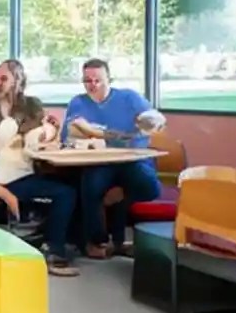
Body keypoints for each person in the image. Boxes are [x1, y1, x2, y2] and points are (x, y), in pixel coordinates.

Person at [0, 59, 80, 277]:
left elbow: (41, 132)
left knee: (67, 187)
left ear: (17, 81)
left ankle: (53, 244)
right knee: (65, 193)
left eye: (3, 79)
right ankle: (54, 251)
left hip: (21, 173)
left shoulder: (31, 105)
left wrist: (50, 130)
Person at [63, 58, 165, 258]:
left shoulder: (129, 98)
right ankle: (98, 241)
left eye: (98, 80)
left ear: (109, 79)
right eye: (87, 81)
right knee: (90, 187)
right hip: (100, 161)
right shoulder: (78, 102)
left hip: (132, 159)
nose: (93, 85)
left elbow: (154, 119)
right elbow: (70, 134)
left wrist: (150, 122)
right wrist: (90, 134)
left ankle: (120, 197)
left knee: (149, 186)